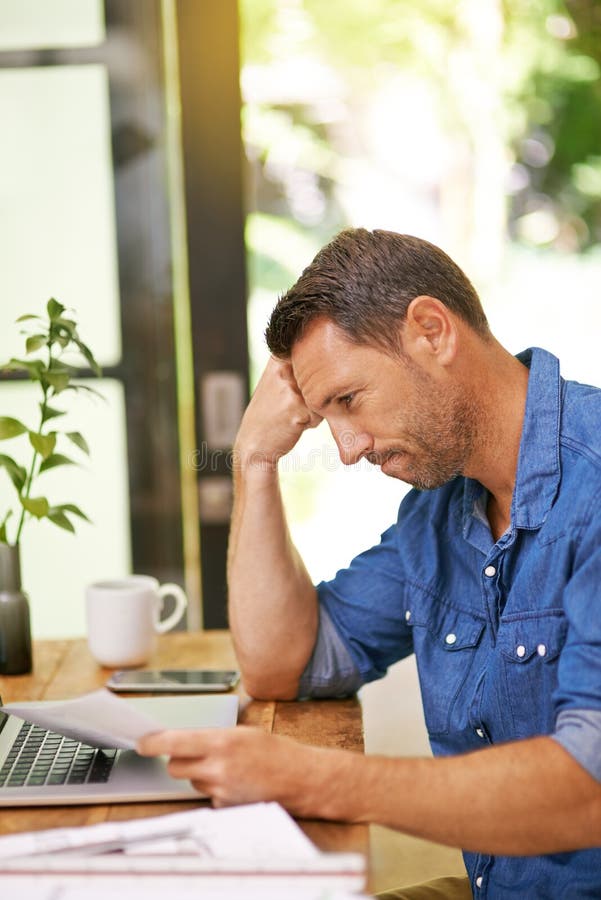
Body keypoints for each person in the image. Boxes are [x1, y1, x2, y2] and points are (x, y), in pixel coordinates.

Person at [138, 229, 601, 898]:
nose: (348, 449)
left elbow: (588, 790)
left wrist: (311, 777)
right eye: (325, 417)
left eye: (348, 401)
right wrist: (254, 460)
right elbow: (285, 664)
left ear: (431, 331)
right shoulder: (440, 510)